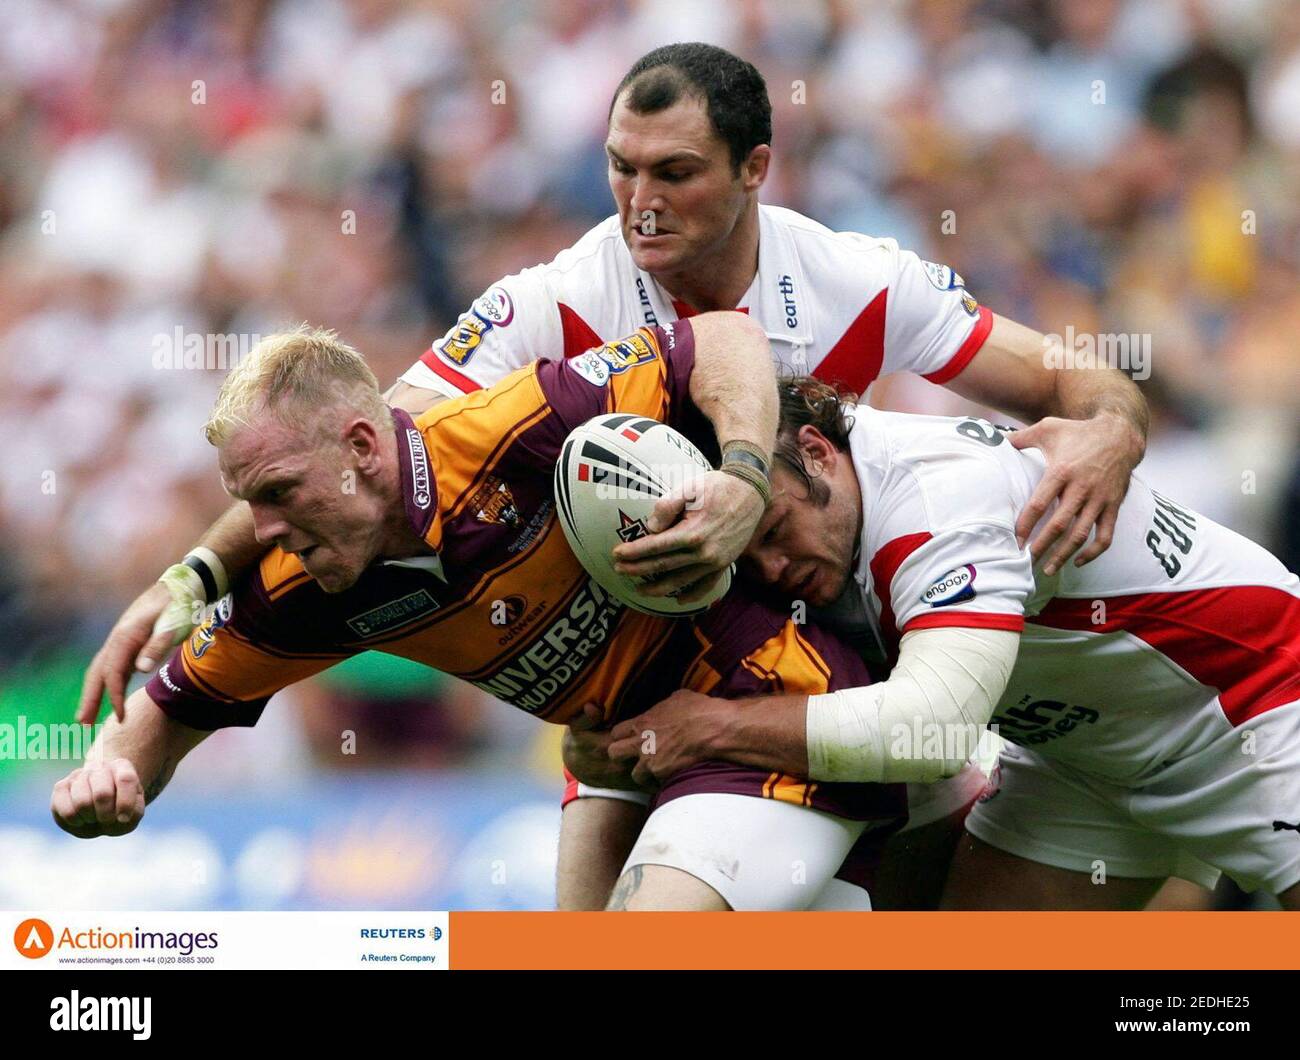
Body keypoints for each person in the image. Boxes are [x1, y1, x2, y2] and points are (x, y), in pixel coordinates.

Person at [79, 42, 1149, 908]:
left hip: (860, 639)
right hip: (634, 681)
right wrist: (194, 580)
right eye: (619, 168)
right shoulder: (552, 302)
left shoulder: (856, 281)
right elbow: (345, 453)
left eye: (674, 172)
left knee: (951, 881)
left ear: (754, 170)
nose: (639, 203)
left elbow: (1077, 383)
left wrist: (1111, 428)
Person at [52, 320, 909, 912]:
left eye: (279, 494)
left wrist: (746, 474)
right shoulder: (301, 589)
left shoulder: (515, 427)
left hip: (768, 703)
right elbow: (169, 705)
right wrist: (110, 773)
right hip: (621, 756)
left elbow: (723, 338)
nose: (263, 531)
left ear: (361, 449)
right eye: (248, 504)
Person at [595, 377, 1300, 910]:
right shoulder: (828, 504)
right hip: (1083, 763)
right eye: (747, 561)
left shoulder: (939, 507)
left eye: (774, 532)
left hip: (1258, 703)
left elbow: (928, 730)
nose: (773, 572)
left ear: (817, 450)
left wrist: (710, 727)